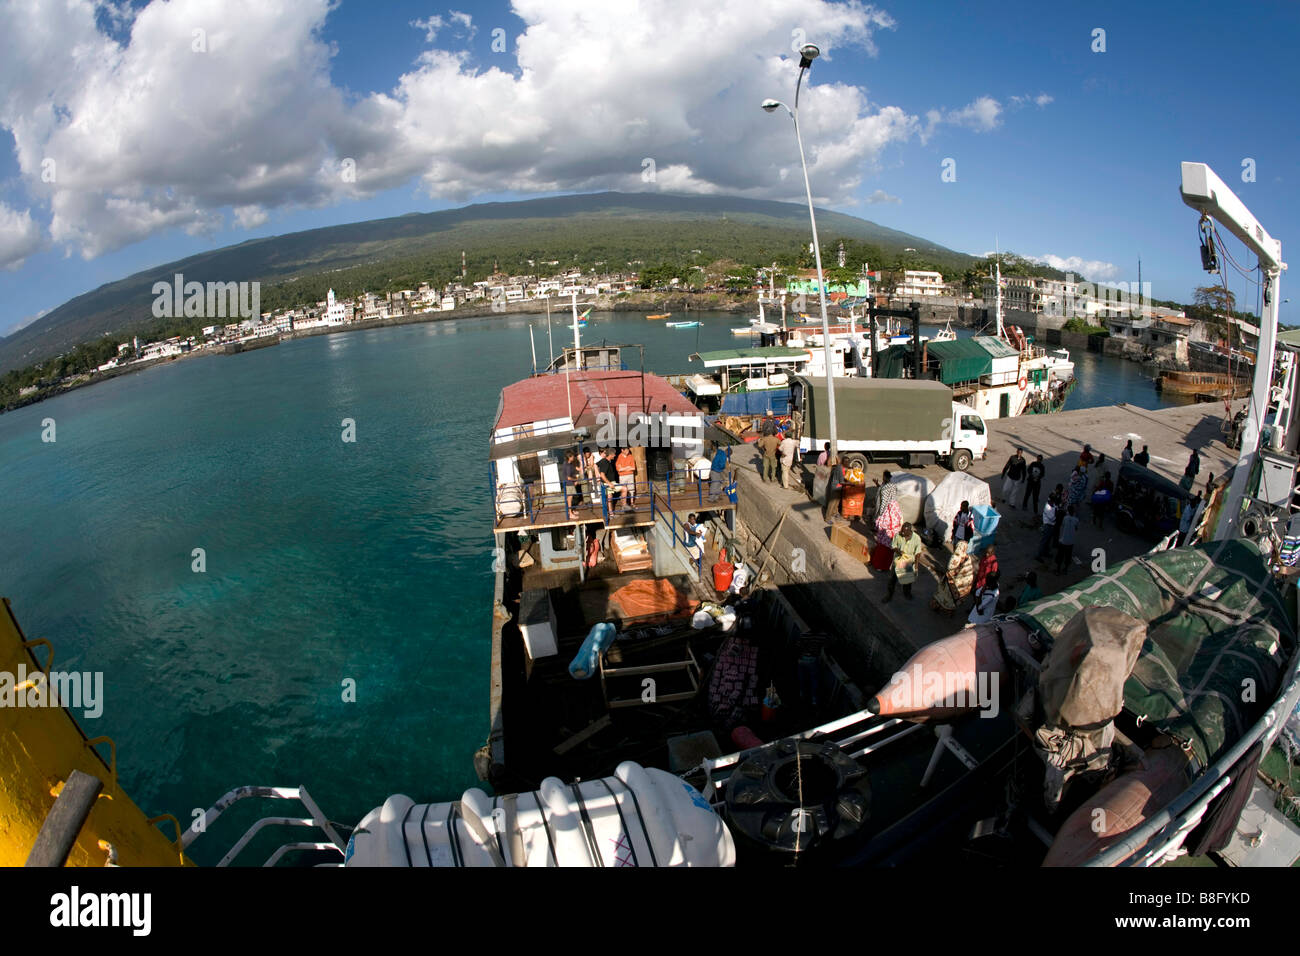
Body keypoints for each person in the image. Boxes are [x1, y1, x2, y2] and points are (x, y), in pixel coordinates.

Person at [884, 522, 924, 602]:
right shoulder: (898, 535)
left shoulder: (916, 538)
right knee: (892, 579)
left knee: (907, 581)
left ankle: (907, 593)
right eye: (901, 531)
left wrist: (916, 566)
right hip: (897, 561)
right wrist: (899, 552)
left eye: (904, 532)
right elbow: (893, 546)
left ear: (909, 531)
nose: (902, 533)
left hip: (908, 563)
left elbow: (918, 553)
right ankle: (889, 594)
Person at [931, 539, 974, 615]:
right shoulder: (968, 558)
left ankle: (940, 607)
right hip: (961, 586)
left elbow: (950, 566)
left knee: (945, 595)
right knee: (952, 599)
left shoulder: (957, 556)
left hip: (952, 583)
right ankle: (949, 611)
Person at [1055, 504, 1079, 574]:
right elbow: (1076, 528)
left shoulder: (1065, 518)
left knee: (1060, 556)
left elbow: (1063, 525)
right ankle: (1065, 569)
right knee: (1068, 556)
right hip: (1070, 542)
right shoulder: (1076, 520)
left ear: (1068, 511)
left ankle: (1058, 570)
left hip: (1063, 541)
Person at [1036, 492, 1060, 561]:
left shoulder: (1053, 505)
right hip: (1047, 526)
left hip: (1051, 526)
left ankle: (1045, 552)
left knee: (1048, 541)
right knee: (1044, 541)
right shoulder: (1048, 507)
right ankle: (1038, 555)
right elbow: (1052, 518)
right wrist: (1057, 513)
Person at [824, 456, 845, 521]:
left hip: (837, 487)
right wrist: (850, 483)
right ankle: (827, 518)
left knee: (836, 501)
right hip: (836, 487)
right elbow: (841, 481)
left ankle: (834, 512)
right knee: (832, 503)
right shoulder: (840, 469)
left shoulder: (839, 466)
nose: (849, 463)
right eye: (847, 462)